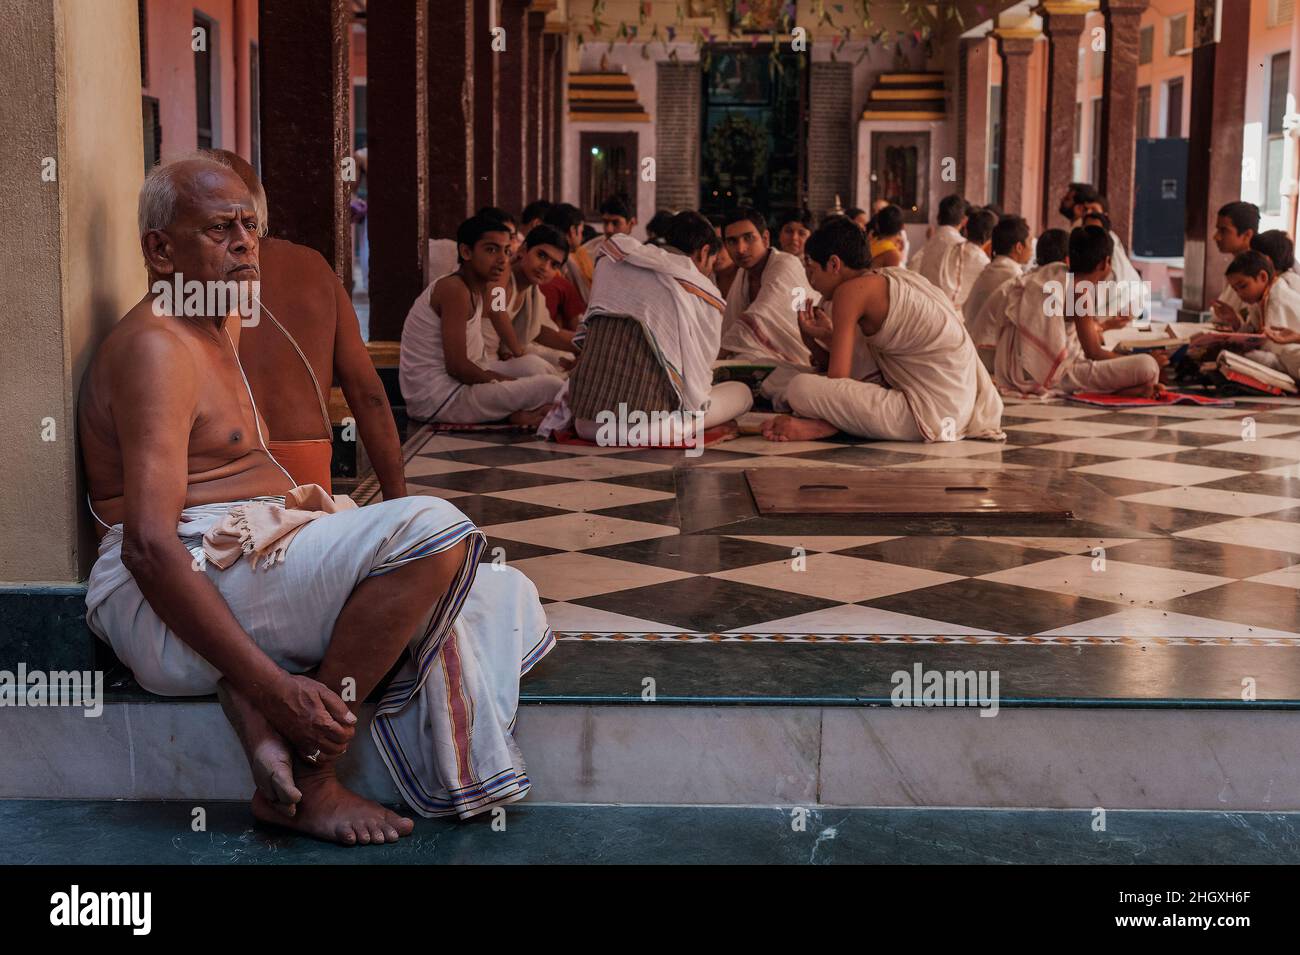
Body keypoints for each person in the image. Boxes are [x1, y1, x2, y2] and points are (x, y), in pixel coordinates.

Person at [80, 155, 554, 845]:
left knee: (497, 590)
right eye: (220, 228)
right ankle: (310, 774)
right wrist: (282, 692)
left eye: (249, 224)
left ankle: (252, 700)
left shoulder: (218, 324)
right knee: (434, 531)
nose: (246, 242)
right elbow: (148, 546)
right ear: (159, 249)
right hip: (162, 593)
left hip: (237, 561)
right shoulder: (156, 347)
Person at [214, 150, 405, 499]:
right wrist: (398, 504)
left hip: (225, 470)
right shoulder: (312, 267)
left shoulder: (186, 281)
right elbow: (370, 395)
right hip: (308, 469)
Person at [763, 217, 1004, 443]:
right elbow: (852, 373)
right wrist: (815, 339)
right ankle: (831, 423)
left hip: (928, 413)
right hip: (955, 408)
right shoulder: (889, 279)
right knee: (787, 376)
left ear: (834, 263)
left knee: (799, 387)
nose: (810, 281)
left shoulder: (850, 292)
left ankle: (824, 427)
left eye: (811, 269)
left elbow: (838, 381)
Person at [553, 211, 754, 444]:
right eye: (710, 262)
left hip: (587, 424)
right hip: (649, 428)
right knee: (741, 392)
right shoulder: (698, 289)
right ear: (705, 251)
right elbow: (697, 384)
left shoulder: (615, 262)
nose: (708, 271)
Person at [399, 214, 564, 425]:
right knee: (550, 386)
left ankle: (519, 414)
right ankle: (524, 412)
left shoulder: (482, 285)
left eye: (506, 250)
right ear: (466, 252)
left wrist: (517, 370)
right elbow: (458, 367)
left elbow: (499, 312)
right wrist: (510, 381)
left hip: (469, 378)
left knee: (533, 366)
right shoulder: (454, 289)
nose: (502, 259)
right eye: (491, 249)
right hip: (440, 397)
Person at [993, 226, 1162, 398]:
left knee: (1140, 369)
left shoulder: (1054, 273)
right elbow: (1093, 352)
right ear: (1105, 262)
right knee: (1148, 366)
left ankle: (1133, 390)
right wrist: (1133, 358)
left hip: (1028, 367)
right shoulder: (1080, 291)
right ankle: (1128, 389)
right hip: (1055, 374)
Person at [718, 208, 814, 366]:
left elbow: (761, 315)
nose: (741, 249)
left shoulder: (786, 263)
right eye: (732, 241)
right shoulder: (742, 274)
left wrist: (717, 356)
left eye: (748, 238)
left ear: (765, 238)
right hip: (762, 355)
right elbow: (731, 325)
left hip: (799, 357)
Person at [481, 224, 578, 371]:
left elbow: (542, 332)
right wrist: (518, 354)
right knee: (539, 371)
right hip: (477, 363)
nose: (545, 267)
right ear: (523, 249)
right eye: (541, 255)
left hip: (495, 361)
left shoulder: (532, 293)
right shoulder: (502, 272)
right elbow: (496, 309)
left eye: (554, 265)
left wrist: (589, 345)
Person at [1223, 249, 1300, 380]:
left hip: (1290, 357)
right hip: (1284, 358)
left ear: (1263, 277)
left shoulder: (1278, 299)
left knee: (1252, 357)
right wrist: (1235, 321)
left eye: (1243, 286)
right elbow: (1254, 332)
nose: (1240, 294)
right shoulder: (1261, 300)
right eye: (1236, 290)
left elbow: (1275, 346)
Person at [964, 214, 1031, 326]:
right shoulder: (1014, 277)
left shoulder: (990, 270)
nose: (1031, 248)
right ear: (1019, 247)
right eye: (1029, 242)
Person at [1211, 201, 1262, 326]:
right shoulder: (1237, 267)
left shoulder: (1260, 269)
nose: (1216, 237)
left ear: (1247, 235)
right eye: (1218, 230)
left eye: (1224, 231)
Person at [933, 207, 995, 308]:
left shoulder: (951, 247)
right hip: (956, 315)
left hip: (936, 303)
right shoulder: (982, 262)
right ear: (988, 237)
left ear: (965, 230)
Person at [909, 193, 968, 286]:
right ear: (964, 220)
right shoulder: (962, 245)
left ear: (938, 217)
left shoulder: (930, 242)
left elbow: (912, 270)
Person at [867, 203, 905, 268]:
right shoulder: (892, 253)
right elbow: (891, 277)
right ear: (903, 227)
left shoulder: (871, 242)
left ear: (877, 225)